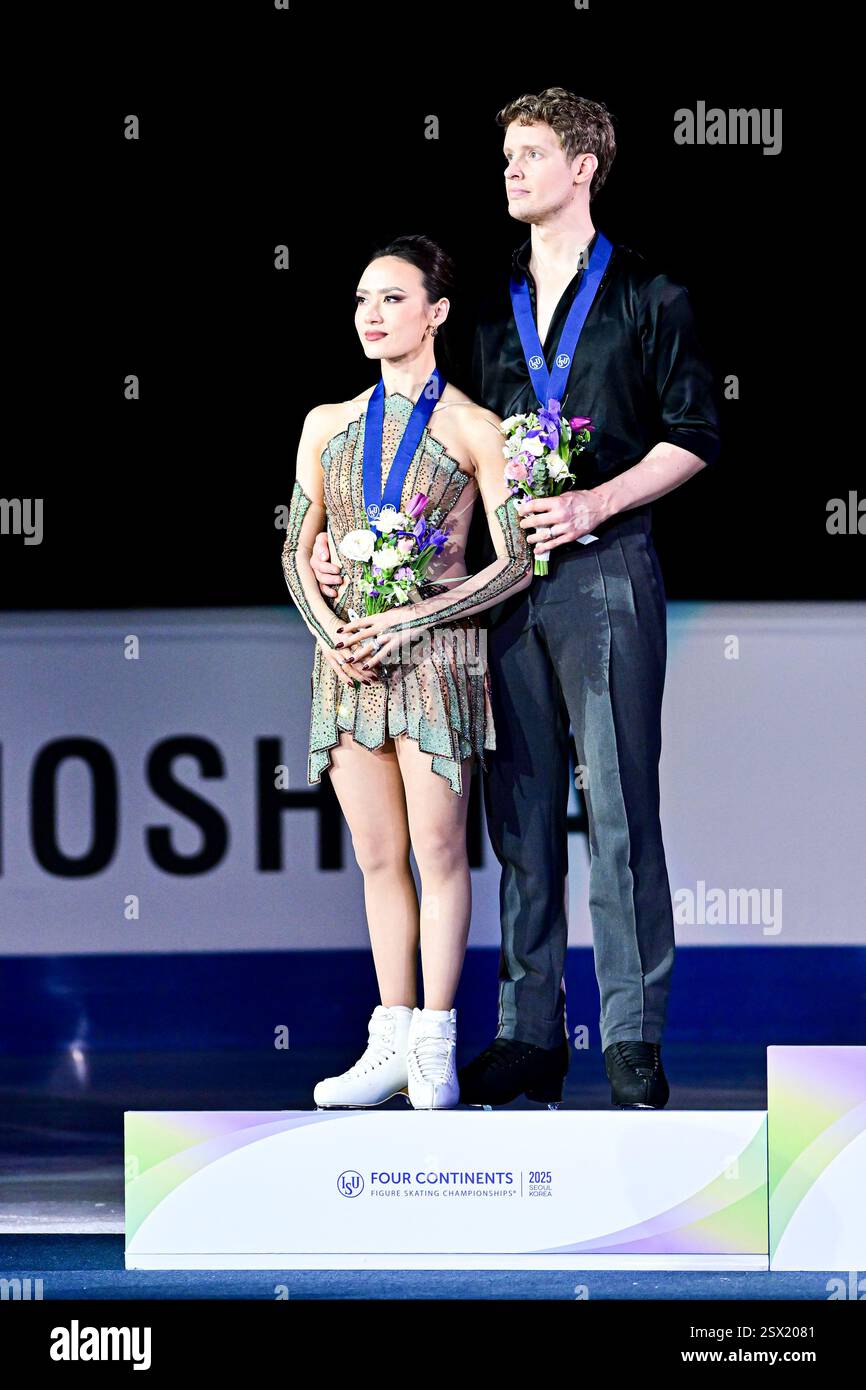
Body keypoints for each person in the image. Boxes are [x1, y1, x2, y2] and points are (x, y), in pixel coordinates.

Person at [310, 91, 721, 1110]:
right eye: (505, 155)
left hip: (606, 572)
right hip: (503, 594)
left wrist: (594, 501)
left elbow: (694, 433)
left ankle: (629, 1036)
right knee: (520, 817)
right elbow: (438, 459)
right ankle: (530, 1036)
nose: (510, 169)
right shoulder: (486, 315)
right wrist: (349, 558)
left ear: (583, 168)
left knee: (619, 811)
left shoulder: (647, 294)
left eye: (530, 153)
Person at [281, 234, 532, 1111]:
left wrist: (409, 619)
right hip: (348, 659)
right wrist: (337, 628)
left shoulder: (472, 426)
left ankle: (434, 1041)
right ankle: (387, 1036)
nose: (371, 315)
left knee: (437, 852)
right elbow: (293, 552)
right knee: (377, 856)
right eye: (360, 301)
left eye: (390, 299)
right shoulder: (325, 423)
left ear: (436, 312)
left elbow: (513, 566)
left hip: (435, 657)